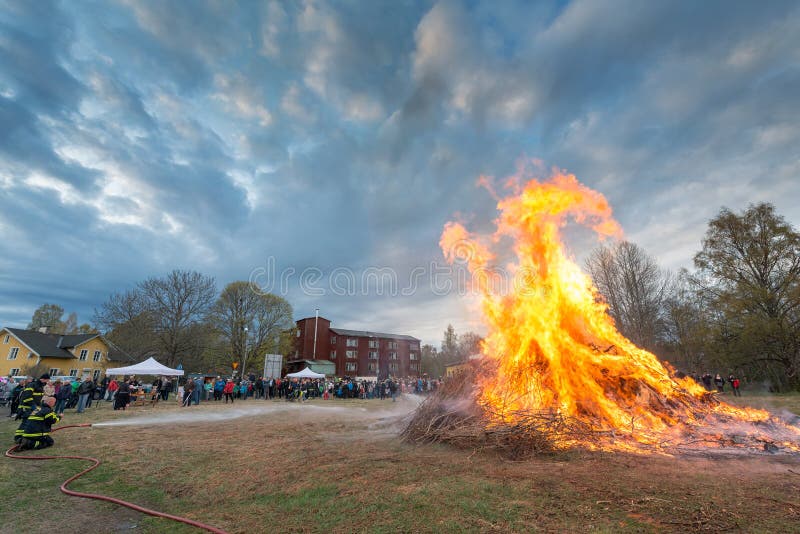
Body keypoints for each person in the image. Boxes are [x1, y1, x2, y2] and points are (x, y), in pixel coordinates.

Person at [14, 374, 50, 443]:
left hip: (32, 408)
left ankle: (23, 437)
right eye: (47, 380)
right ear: (43, 379)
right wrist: (34, 406)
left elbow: (37, 398)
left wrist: (39, 406)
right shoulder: (32, 385)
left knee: (28, 423)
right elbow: (27, 397)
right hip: (26, 408)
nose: (47, 382)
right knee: (25, 423)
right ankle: (18, 437)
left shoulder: (40, 386)